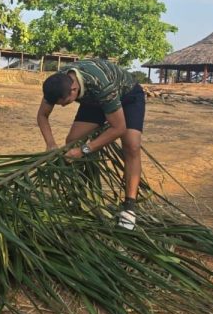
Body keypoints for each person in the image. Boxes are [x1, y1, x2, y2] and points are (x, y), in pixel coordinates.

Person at [36, 59, 146, 230]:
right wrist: (50, 143)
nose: (63, 106)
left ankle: (129, 208)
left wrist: (84, 149)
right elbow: (42, 115)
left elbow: (119, 128)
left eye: (65, 102)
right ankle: (80, 192)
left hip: (127, 96)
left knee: (131, 145)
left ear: (74, 89)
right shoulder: (57, 84)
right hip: (94, 100)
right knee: (72, 141)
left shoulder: (101, 85)